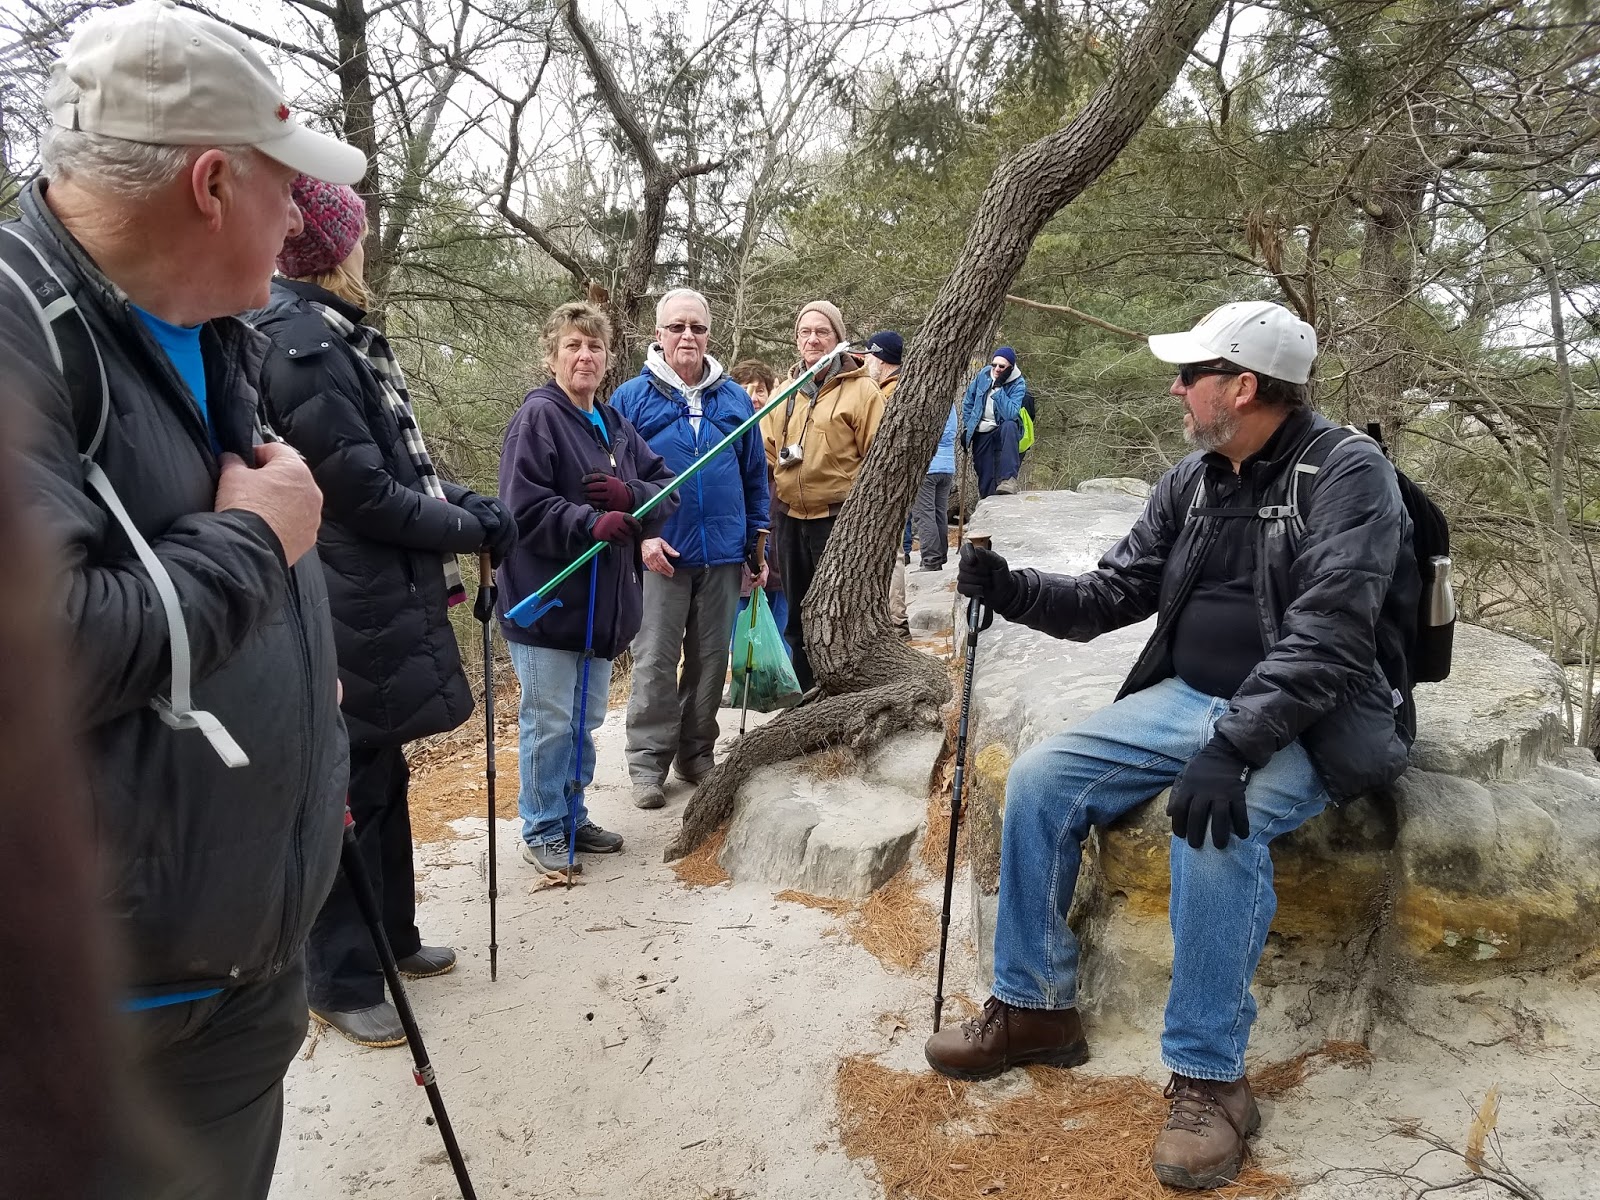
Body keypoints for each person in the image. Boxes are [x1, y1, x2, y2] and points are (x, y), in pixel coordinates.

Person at [925, 301, 1418, 1192]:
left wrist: (1231, 749)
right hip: (1187, 700)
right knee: (1040, 780)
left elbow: (1331, 639)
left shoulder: (1347, 476)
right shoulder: (1194, 480)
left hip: (1310, 716)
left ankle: (1210, 1078)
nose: (1176, 388)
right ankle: (1037, 1011)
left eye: (1191, 375)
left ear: (1243, 385)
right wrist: (1013, 589)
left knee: (1214, 827)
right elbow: (1114, 591)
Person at [1, 3, 365, 1196]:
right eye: (286, 186)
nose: (301, 220)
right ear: (212, 182)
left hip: (232, 985)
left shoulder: (208, 328)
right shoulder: (18, 336)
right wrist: (260, 545)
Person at [250, 177, 518, 1047]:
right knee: (348, 788)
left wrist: (473, 504)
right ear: (335, 248)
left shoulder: (340, 339)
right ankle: (339, 974)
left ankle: (391, 937)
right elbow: (359, 493)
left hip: (374, 596)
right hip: (341, 598)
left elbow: (407, 467)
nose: (365, 247)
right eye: (357, 235)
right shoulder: (302, 347)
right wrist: (466, 524)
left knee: (384, 776)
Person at [497, 302, 677, 872]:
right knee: (548, 720)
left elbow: (666, 485)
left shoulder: (613, 424)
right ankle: (543, 826)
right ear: (552, 356)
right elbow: (519, 509)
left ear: (607, 358)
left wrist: (630, 497)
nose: (585, 356)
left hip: (600, 607)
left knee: (584, 718)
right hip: (547, 600)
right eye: (573, 345)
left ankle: (571, 813)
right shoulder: (538, 418)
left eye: (594, 347)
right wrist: (587, 522)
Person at [611, 289, 769, 809]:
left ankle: (697, 751)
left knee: (710, 658)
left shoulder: (734, 399)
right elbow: (616, 479)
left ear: (708, 334)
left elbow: (754, 478)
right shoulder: (631, 399)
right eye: (677, 327)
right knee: (656, 658)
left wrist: (756, 547)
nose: (687, 337)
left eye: (697, 328)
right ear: (659, 335)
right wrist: (642, 534)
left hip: (723, 551)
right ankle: (647, 763)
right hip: (662, 550)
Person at [761, 300, 885, 688]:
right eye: (805, 332)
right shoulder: (784, 391)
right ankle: (804, 696)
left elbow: (877, 459)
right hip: (789, 517)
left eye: (822, 332)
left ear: (838, 339)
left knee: (835, 613)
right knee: (796, 616)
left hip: (836, 519)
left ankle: (843, 693)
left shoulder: (863, 391)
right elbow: (765, 451)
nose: (813, 340)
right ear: (797, 340)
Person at [730, 358, 789, 641]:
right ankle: (742, 685)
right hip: (739, 553)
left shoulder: (784, 431)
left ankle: (782, 685)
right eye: (745, 389)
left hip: (778, 550)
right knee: (742, 637)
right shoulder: (725, 438)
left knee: (779, 635)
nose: (753, 398)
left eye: (760, 390)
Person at [863, 330, 913, 637]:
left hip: (887, 487)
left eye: (869, 355)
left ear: (881, 359)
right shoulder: (897, 389)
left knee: (890, 553)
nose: (866, 360)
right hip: (895, 486)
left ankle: (896, 622)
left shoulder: (889, 395)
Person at [960, 346, 1031, 497]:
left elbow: (1011, 414)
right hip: (981, 430)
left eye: (1002, 366)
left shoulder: (1018, 383)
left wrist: (999, 389)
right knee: (984, 476)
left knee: (1010, 425)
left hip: (1001, 430)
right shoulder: (984, 374)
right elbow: (969, 401)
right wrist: (968, 427)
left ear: (1010, 367)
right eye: (994, 365)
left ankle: (1008, 479)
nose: (997, 369)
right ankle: (987, 510)